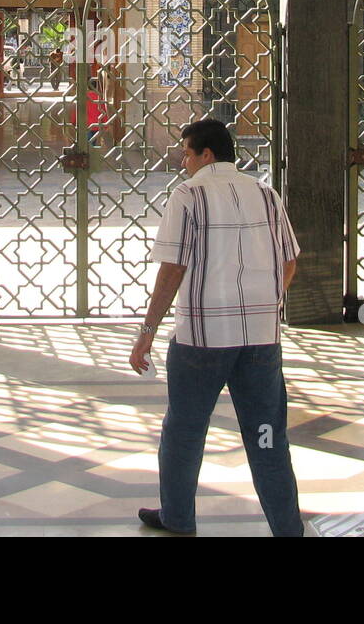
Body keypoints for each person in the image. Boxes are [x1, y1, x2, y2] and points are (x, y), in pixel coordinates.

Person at [130, 118, 303, 537]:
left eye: (186, 153)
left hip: (201, 341)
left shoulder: (188, 196)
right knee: (267, 436)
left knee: (185, 431)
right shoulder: (265, 193)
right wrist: (264, 305)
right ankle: (288, 528)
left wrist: (147, 333)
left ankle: (178, 518)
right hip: (260, 341)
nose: (182, 161)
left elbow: (172, 268)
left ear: (206, 154)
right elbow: (290, 261)